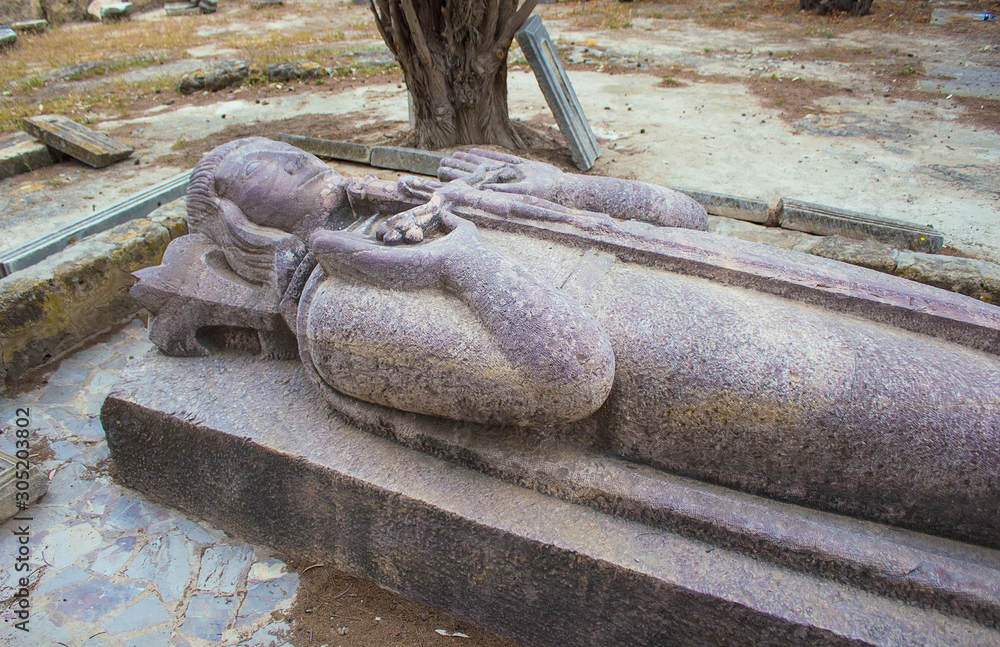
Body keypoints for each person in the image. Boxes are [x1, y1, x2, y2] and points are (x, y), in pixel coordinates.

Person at [139, 137, 1000, 549]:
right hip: (684, 362)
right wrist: (466, 262)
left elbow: (684, 218)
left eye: (291, 150)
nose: (293, 159)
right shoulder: (341, 311)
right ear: (242, 220)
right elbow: (573, 379)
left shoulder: (440, 190)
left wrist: (549, 187)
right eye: (267, 167)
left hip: (733, 288)